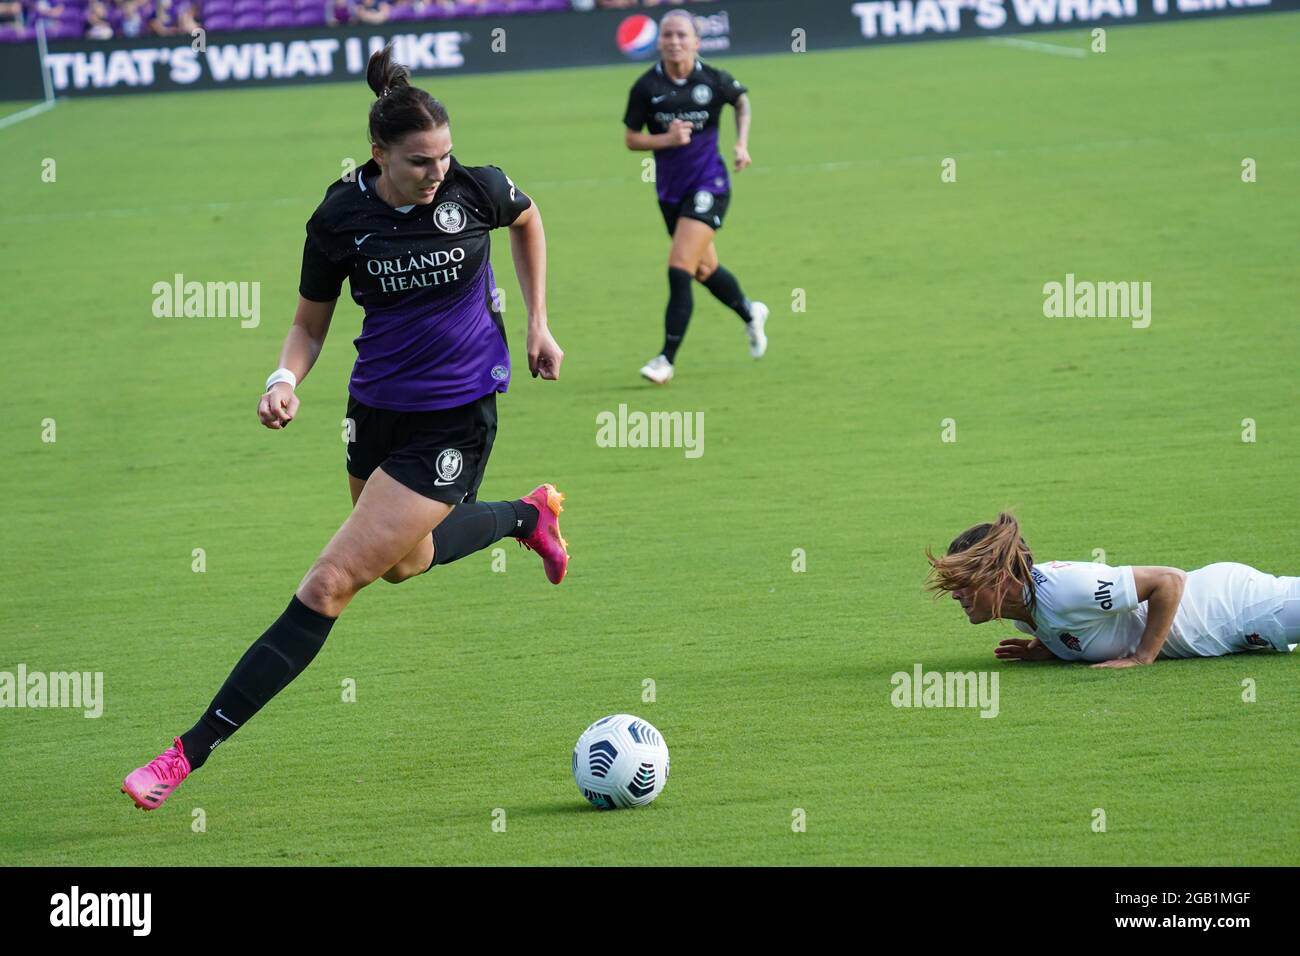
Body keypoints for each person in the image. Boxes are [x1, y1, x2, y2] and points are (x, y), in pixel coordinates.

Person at [121, 46, 568, 810]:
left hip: (457, 419)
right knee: (402, 562)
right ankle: (529, 515)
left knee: (330, 584)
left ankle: (182, 755)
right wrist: (283, 378)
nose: (437, 174)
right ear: (378, 156)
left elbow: (527, 220)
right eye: (420, 162)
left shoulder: (476, 190)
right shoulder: (339, 217)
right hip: (375, 413)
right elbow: (307, 324)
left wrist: (539, 325)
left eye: (445, 157)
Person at [926, 513, 1299, 667]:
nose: (956, 595)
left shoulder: (1064, 589)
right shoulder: (1026, 615)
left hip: (1233, 607)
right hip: (1228, 630)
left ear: (1001, 579)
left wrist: (1142, 657)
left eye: (964, 584)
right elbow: (1088, 625)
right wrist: (1051, 648)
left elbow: (1168, 581)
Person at [623, 9, 766, 385]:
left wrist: (741, 144)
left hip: (710, 185)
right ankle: (752, 314)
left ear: (696, 42)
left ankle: (665, 360)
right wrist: (665, 140)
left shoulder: (713, 79)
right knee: (705, 269)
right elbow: (631, 139)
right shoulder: (645, 88)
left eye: (682, 36)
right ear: (659, 41)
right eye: (668, 35)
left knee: (680, 268)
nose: (674, 41)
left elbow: (742, 101)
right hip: (670, 192)